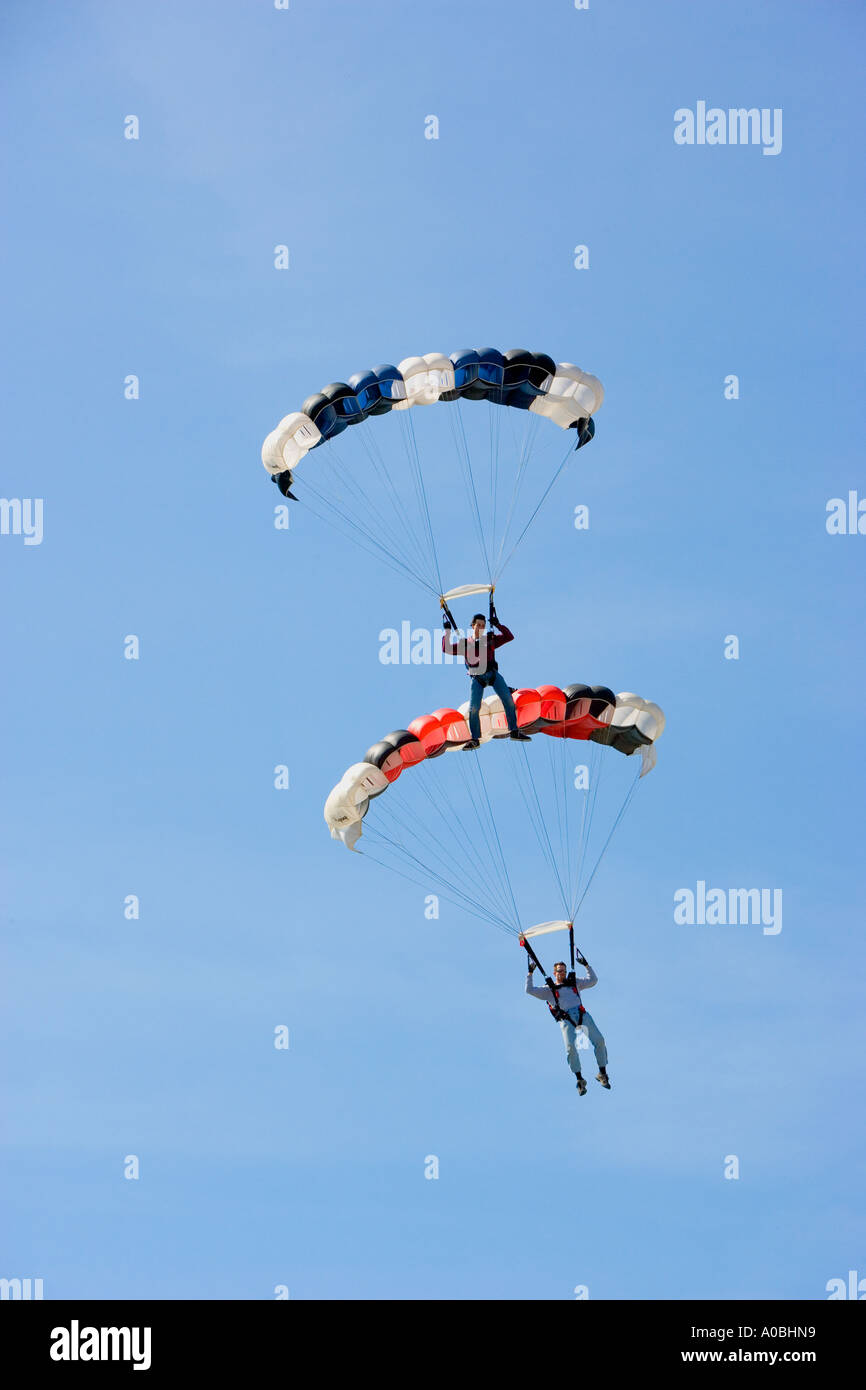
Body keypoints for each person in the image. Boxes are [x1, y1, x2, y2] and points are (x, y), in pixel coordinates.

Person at [441, 600, 531, 750]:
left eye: (483, 625)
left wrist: (497, 624)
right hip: (477, 679)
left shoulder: (490, 639)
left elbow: (509, 637)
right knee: (473, 709)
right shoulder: (465, 645)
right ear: (472, 626)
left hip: (493, 675)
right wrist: (447, 632)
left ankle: (514, 731)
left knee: (508, 701)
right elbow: (446, 648)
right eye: (478, 625)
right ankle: (475, 739)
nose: (481, 628)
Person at [525, 955, 610, 1095]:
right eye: (559, 971)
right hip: (566, 1020)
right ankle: (580, 1079)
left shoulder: (574, 982)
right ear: (554, 973)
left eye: (564, 971)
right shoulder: (548, 990)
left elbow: (593, 980)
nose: (562, 973)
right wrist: (530, 973)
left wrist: (587, 965)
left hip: (582, 1015)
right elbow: (529, 990)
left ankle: (602, 1073)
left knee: (599, 1040)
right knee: (571, 1049)